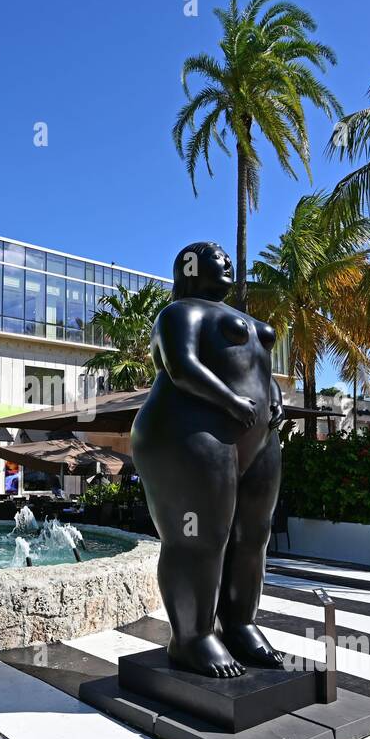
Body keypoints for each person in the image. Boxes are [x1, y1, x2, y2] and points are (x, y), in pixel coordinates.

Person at [130, 241, 285, 678]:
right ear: (191, 266)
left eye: (228, 259)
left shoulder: (249, 322)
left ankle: (239, 623)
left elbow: (262, 372)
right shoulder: (179, 313)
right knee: (198, 534)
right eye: (217, 259)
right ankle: (192, 636)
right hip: (189, 429)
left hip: (257, 434)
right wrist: (230, 400)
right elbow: (180, 365)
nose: (228, 263)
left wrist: (274, 398)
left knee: (253, 532)